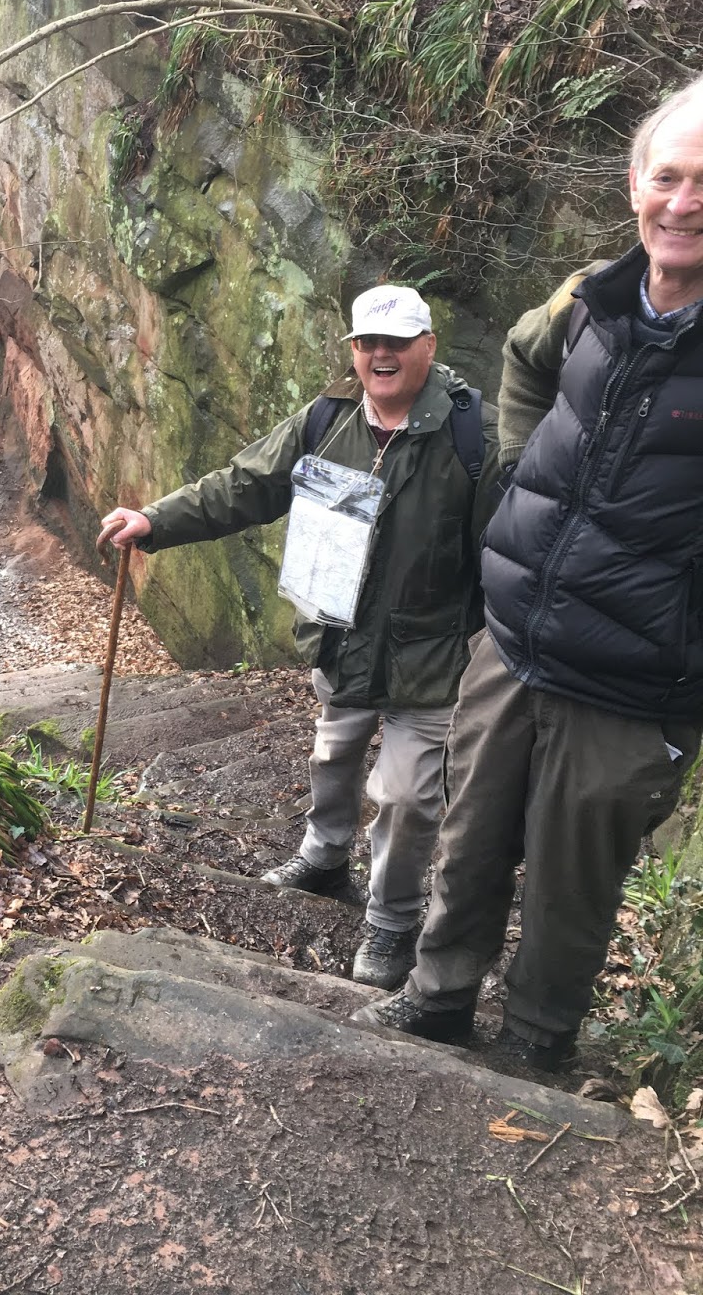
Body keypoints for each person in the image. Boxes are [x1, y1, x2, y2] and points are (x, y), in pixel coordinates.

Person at [353, 79, 703, 1069]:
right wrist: (516, 479)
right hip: (514, 638)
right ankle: (438, 999)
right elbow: (520, 355)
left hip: (635, 684)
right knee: (468, 836)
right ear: (635, 182)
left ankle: (538, 1052)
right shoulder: (593, 296)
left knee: (569, 880)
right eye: (668, 177)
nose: (683, 205)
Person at [99, 286, 500, 991]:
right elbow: (244, 484)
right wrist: (154, 521)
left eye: (398, 342)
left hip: (434, 655)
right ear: (352, 350)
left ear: (428, 347)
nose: (382, 355)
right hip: (341, 638)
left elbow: (508, 551)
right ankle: (323, 854)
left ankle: (391, 919)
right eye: (368, 343)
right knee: (334, 753)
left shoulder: (474, 438)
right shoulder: (325, 420)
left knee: (407, 797)